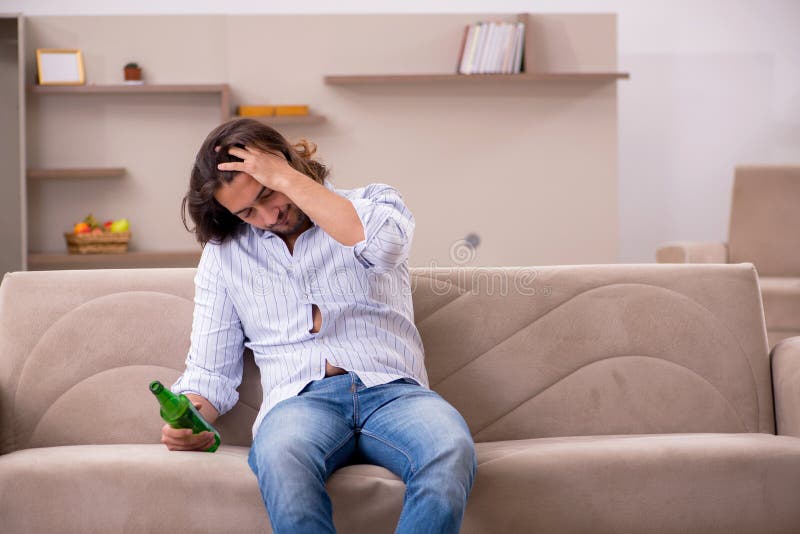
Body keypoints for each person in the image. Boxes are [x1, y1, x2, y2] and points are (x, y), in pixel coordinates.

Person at [162, 118, 477, 533]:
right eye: (247, 212)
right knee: (281, 460)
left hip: (393, 392)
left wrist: (287, 179)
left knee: (449, 449)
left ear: (287, 162)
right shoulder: (226, 255)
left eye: (267, 192)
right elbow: (210, 372)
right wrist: (190, 417)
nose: (268, 214)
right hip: (298, 402)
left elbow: (385, 246)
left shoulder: (372, 204)